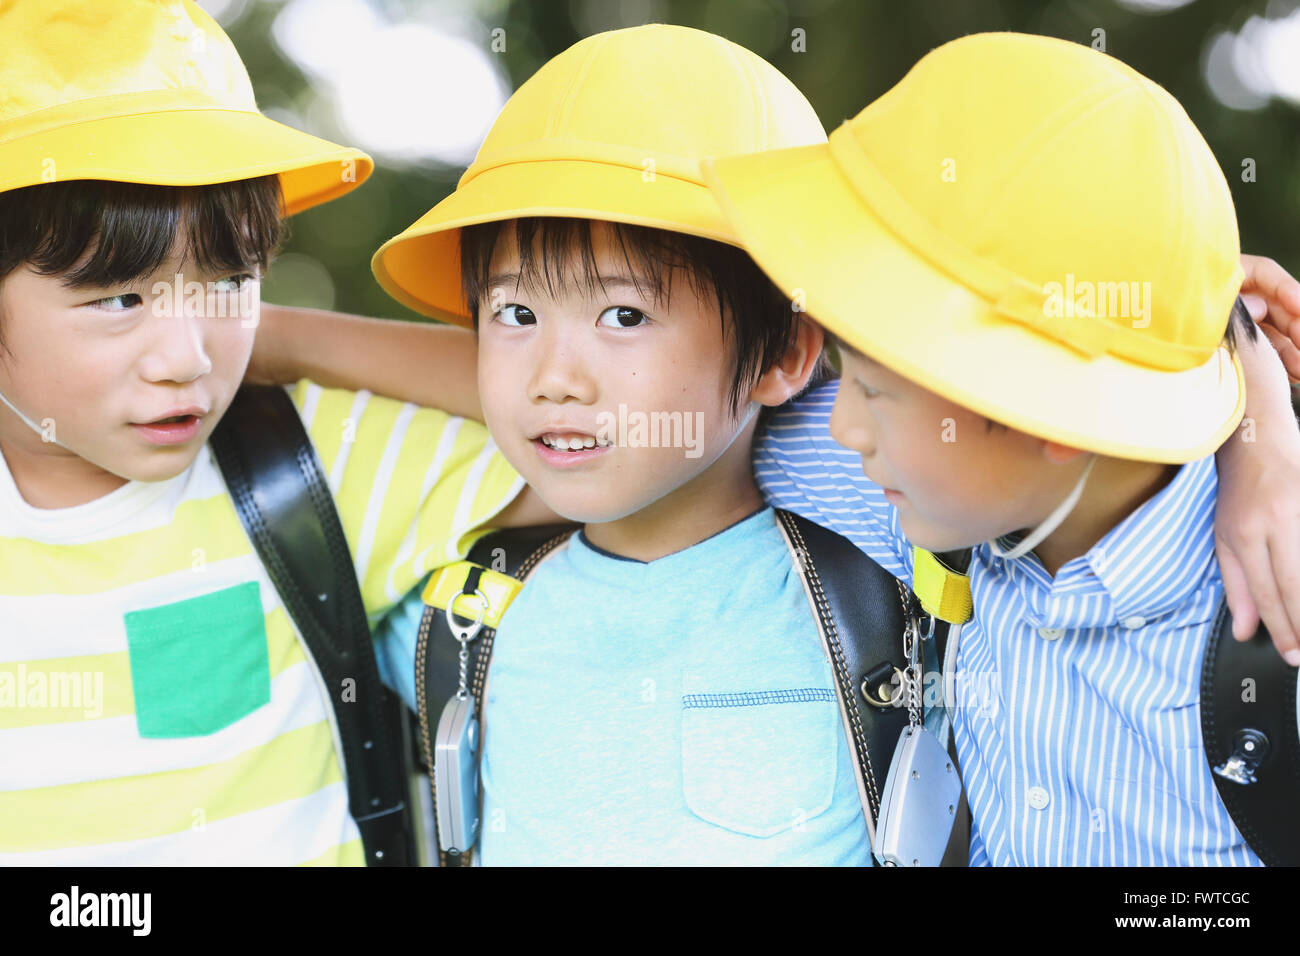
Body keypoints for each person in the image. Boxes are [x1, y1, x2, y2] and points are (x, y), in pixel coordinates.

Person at [251, 26, 1300, 865]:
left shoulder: (1239, 607)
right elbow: (581, 399)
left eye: (874, 386)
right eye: (512, 317)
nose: (845, 418)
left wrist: (1255, 422)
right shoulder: (883, 470)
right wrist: (263, 337)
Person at [704, 31, 1300, 864]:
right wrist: (1252, 389)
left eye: (872, 388)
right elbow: (626, 421)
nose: (839, 424)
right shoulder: (930, 491)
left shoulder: (1275, 628)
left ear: (1049, 415)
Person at [0, 0, 547, 865]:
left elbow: (589, 427)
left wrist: (275, 337)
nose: (184, 360)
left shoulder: (299, 455)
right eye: (119, 298)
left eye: (229, 281)